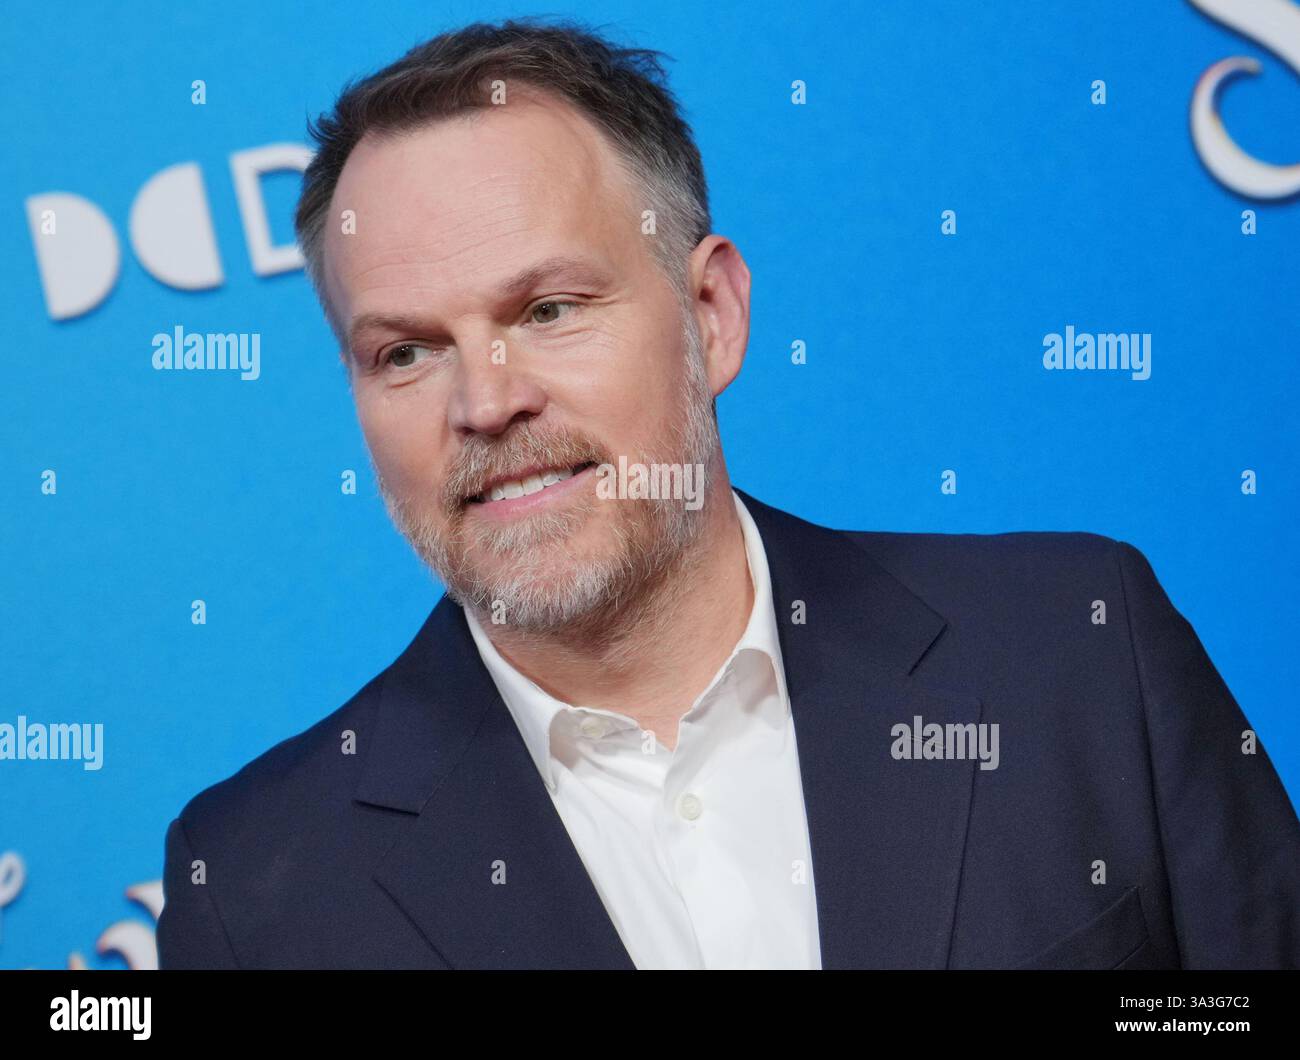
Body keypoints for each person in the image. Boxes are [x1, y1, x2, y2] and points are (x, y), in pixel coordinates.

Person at [156, 17, 1300, 970]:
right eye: (404, 351)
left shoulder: (1076, 651)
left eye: (548, 311)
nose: (484, 401)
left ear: (712, 318)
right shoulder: (256, 890)